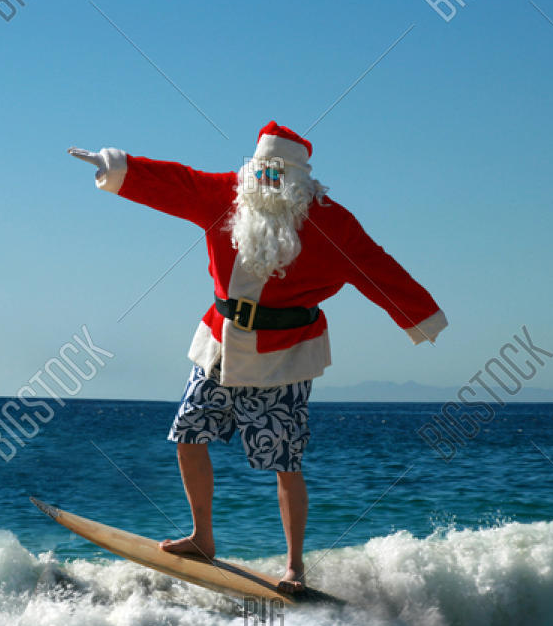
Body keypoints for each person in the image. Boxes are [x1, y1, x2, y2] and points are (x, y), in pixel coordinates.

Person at [71, 122, 446, 594]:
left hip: (285, 355)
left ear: (300, 180)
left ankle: (294, 566)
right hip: (220, 343)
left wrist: (420, 317)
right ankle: (202, 537)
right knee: (188, 435)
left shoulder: (332, 222)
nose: (267, 181)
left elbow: (377, 267)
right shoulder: (225, 195)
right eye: (262, 171)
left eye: (277, 174)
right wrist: (114, 165)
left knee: (285, 462)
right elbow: (175, 182)